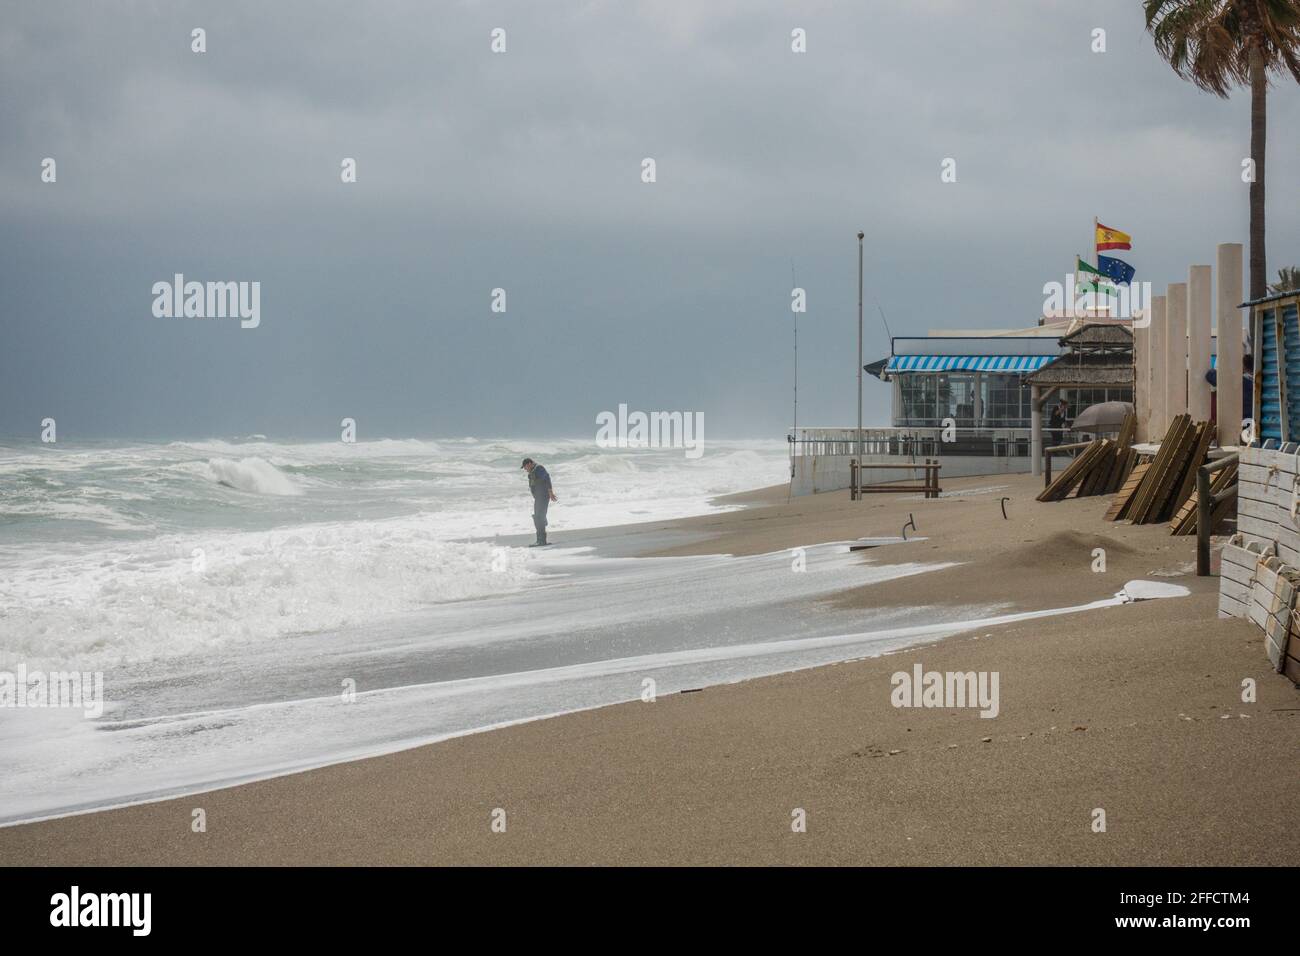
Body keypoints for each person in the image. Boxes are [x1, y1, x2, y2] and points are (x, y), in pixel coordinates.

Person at [521, 458, 557, 547]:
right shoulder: (531, 473)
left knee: (538, 517)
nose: (525, 469)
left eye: (525, 467)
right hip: (538, 497)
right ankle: (541, 540)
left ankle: (541, 541)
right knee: (538, 517)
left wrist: (550, 492)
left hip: (543, 496)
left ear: (529, 464)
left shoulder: (539, 469)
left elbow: (547, 478)